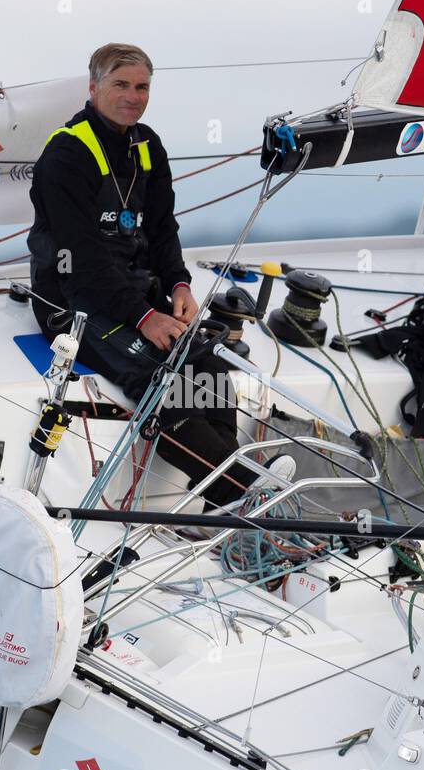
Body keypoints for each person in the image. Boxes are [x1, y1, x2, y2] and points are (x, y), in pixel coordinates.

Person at [28, 43, 285, 508]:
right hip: (71, 300)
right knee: (159, 381)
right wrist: (146, 315)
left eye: (142, 86)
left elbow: (163, 229)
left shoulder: (147, 145)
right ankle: (241, 491)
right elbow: (81, 259)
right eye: (120, 84)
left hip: (132, 291)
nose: (133, 96)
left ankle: (221, 497)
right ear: (94, 88)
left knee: (212, 370)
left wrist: (179, 284)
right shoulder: (66, 156)